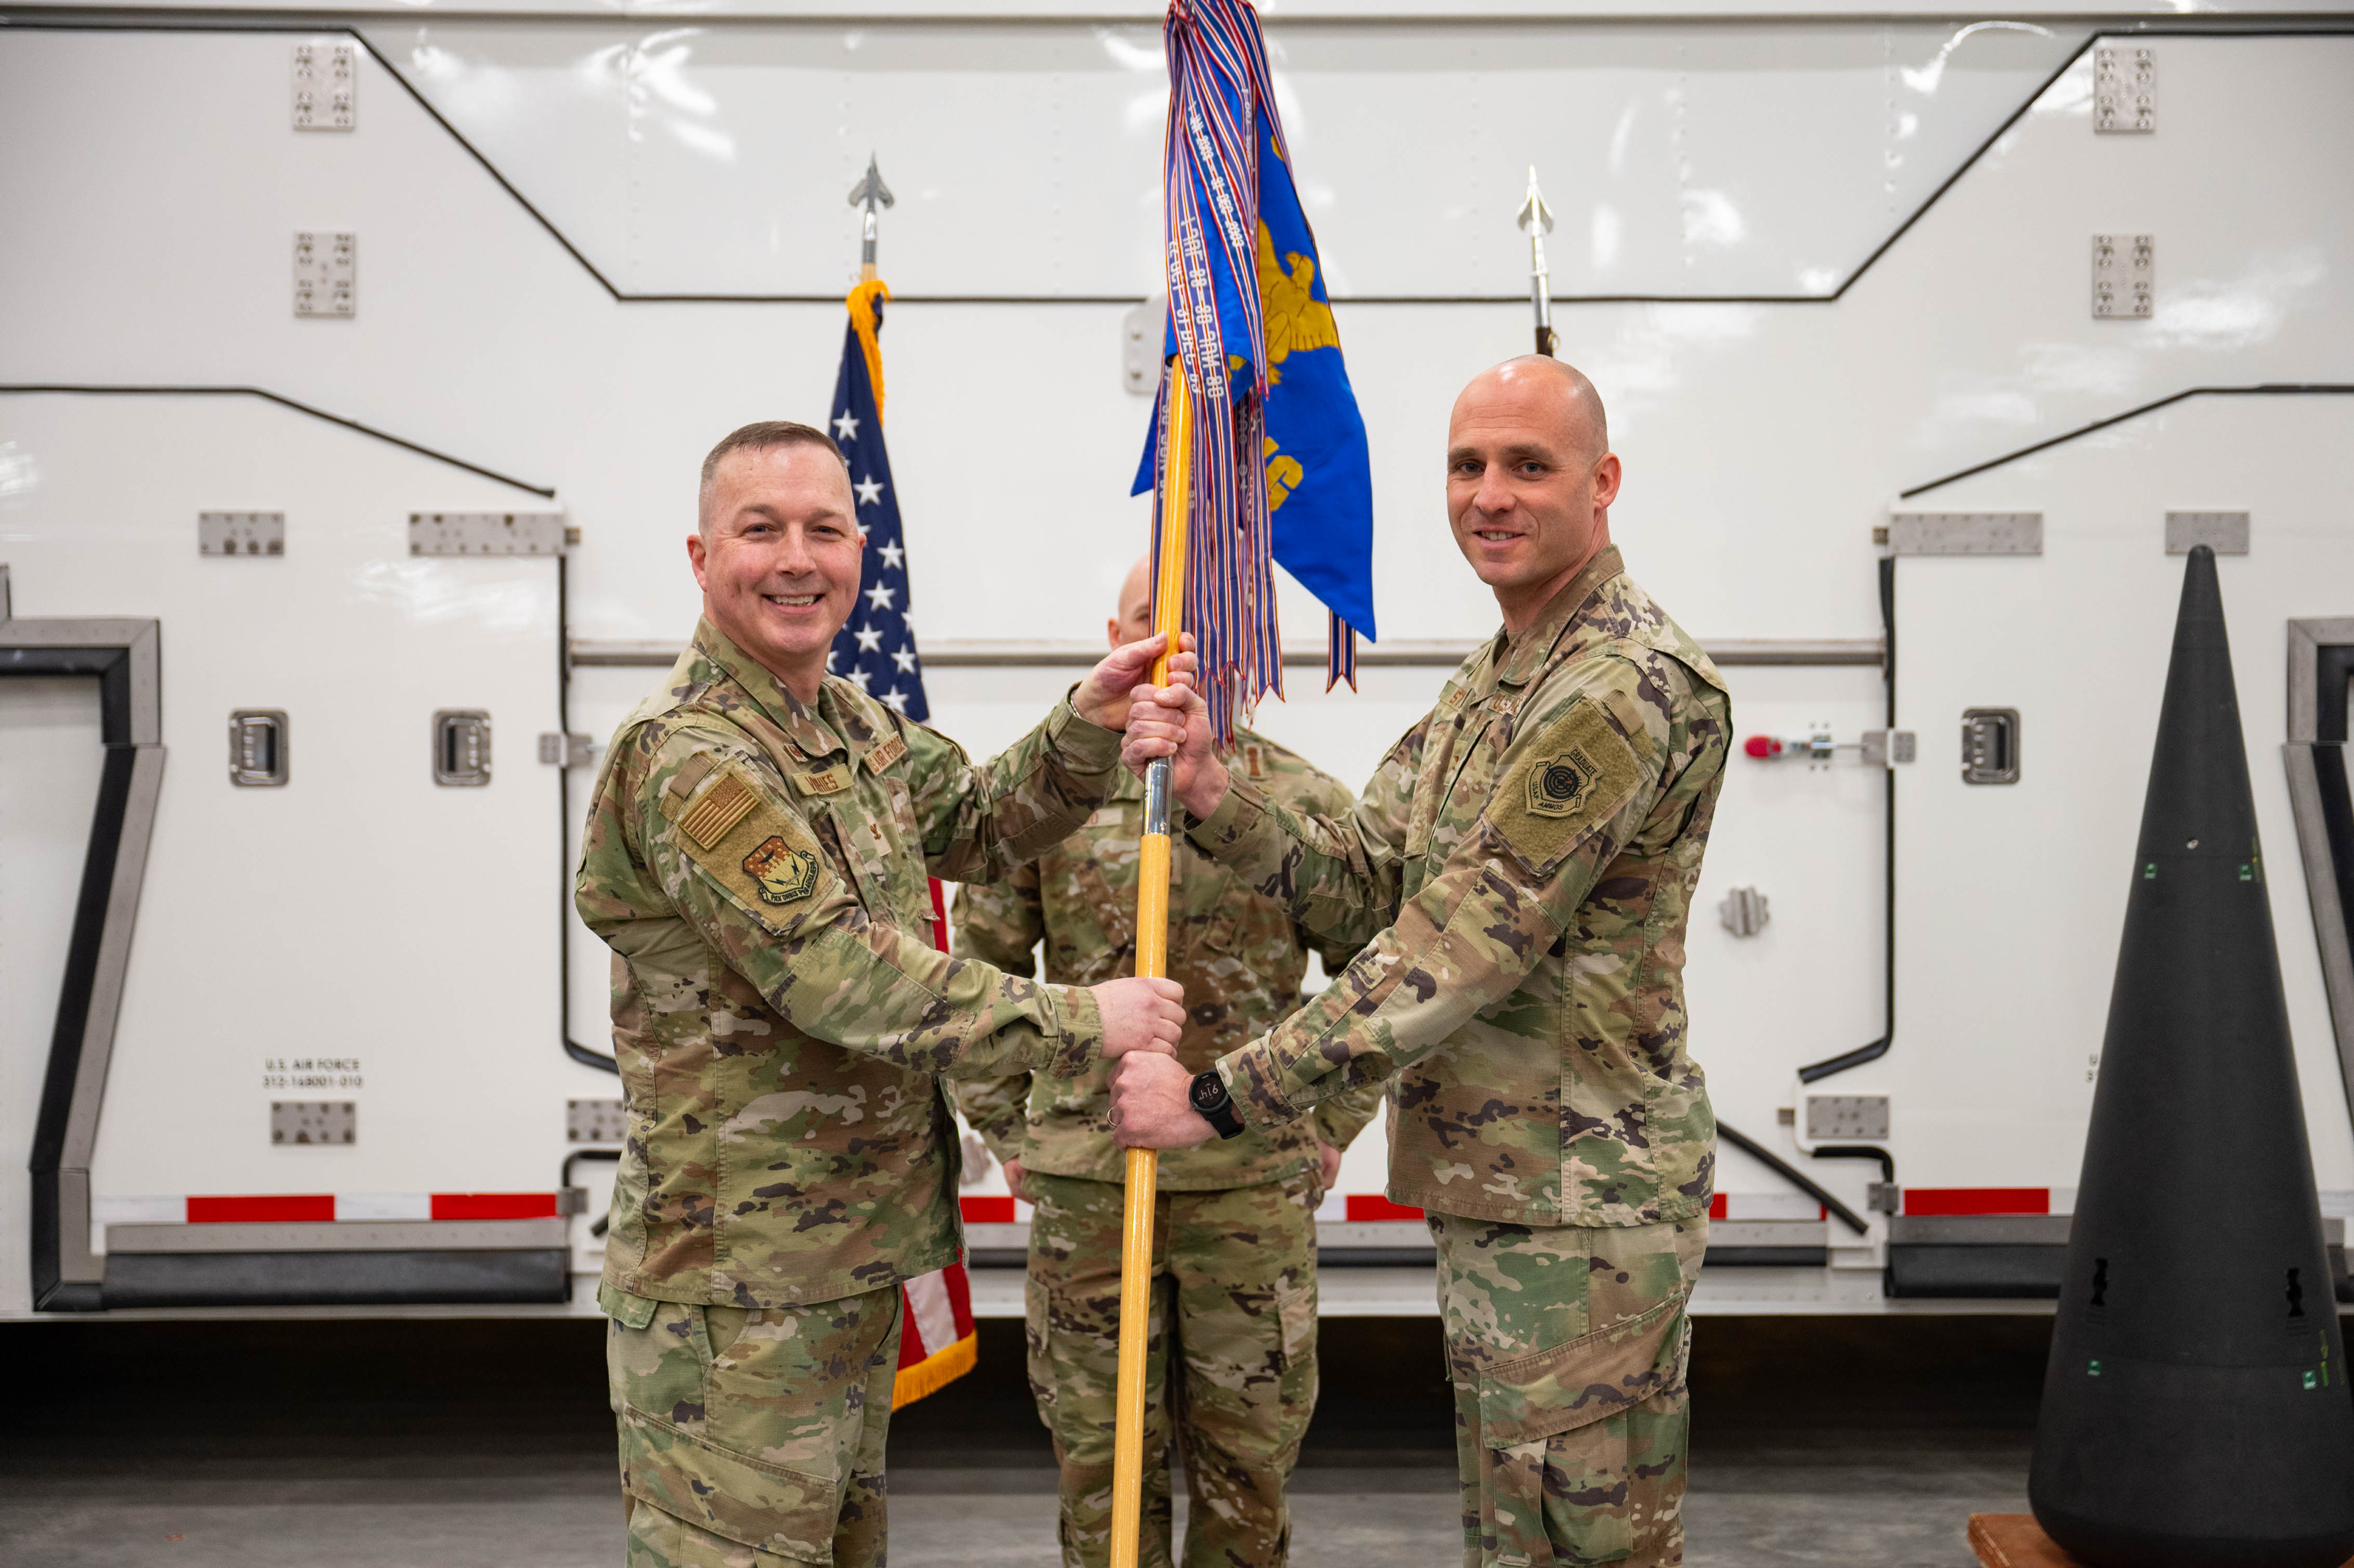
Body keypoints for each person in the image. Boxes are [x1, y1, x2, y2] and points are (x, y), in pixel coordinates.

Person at [1111, 358, 1732, 1568]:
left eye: (1526, 465)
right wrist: (1212, 792)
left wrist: (1219, 1095)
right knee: (1515, 1537)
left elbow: (1458, 948)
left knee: (1575, 1543)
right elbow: (1362, 886)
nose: (1487, 495)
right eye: (1466, 465)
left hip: (1579, 1207)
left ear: (1601, 484)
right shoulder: (1494, 678)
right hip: (1508, 1193)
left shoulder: (1613, 684)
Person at [574, 420, 1188, 1568]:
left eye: (823, 529)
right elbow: (837, 969)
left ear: (860, 551)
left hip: (836, 1269)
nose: (796, 558)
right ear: (701, 558)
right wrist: (1076, 1018)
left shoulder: (848, 726)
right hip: (736, 1296)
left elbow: (981, 819)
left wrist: (1089, 722)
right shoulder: (691, 756)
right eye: (760, 530)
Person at [950, 557, 1383, 1568]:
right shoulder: (1051, 799)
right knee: (1103, 1480)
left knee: (1248, 1476)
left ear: (1248, 636)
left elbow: (1384, 966)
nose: (1180, 643)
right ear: (1115, 629)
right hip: (1090, 1193)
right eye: (1155, 620)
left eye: (1209, 619)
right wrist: (1011, 1129)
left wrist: (1331, 1123)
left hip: (1247, 1194)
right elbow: (978, 968)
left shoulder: (1301, 801)